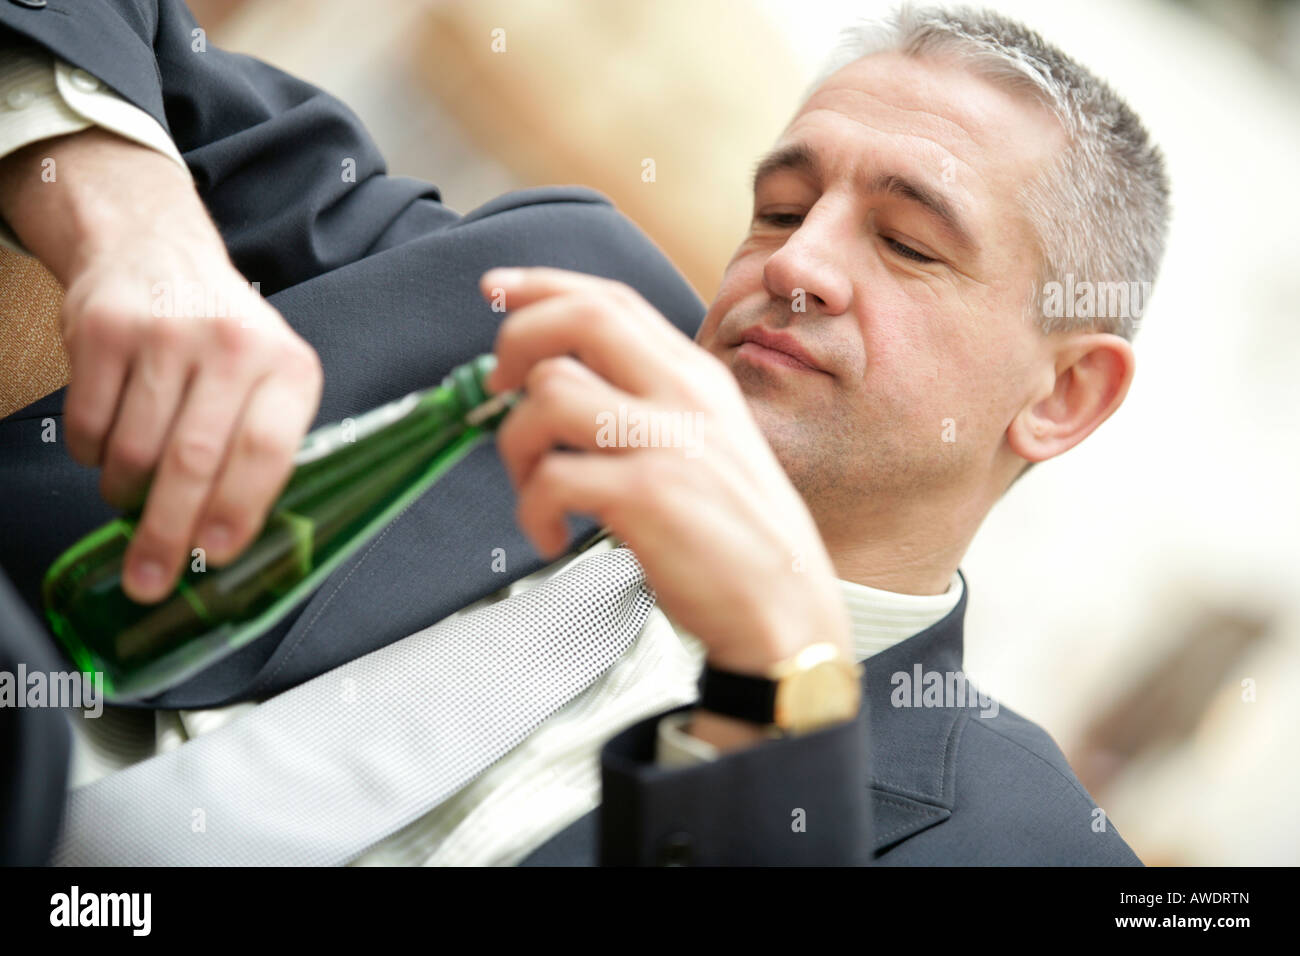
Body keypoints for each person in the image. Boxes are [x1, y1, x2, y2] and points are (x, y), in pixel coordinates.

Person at [0, 2, 1166, 865]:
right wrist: (133, 219)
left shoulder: (1033, 841)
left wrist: (781, 681)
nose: (797, 262)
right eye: (778, 208)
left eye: (907, 244)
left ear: (1062, 394)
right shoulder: (547, 301)